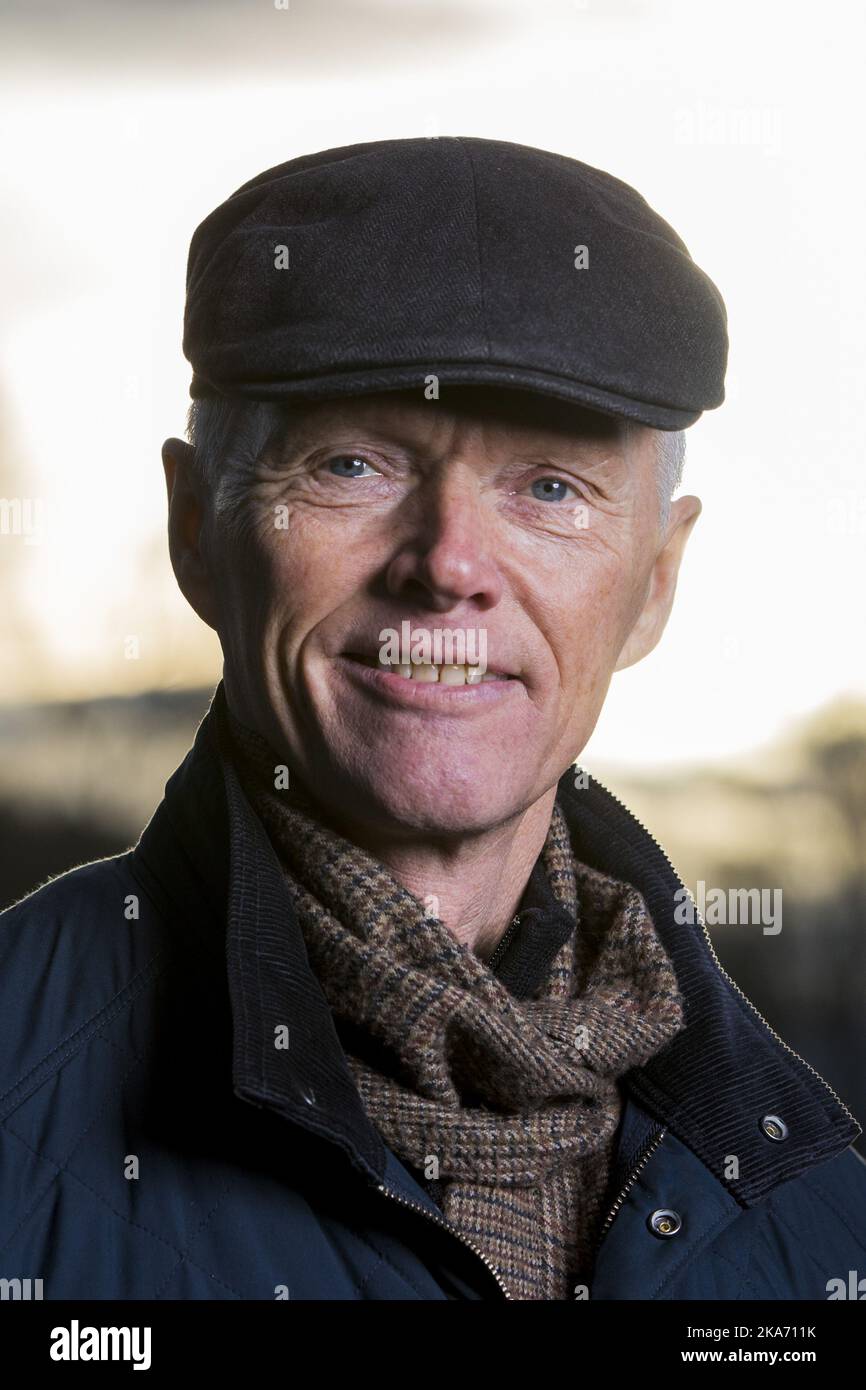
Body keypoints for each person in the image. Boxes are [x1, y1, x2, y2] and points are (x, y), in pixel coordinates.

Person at [1, 137, 863, 1301]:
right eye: (351, 465)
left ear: (653, 581)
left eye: (548, 487)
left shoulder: (818, 1215)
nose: (449, 563)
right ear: (198, 530)